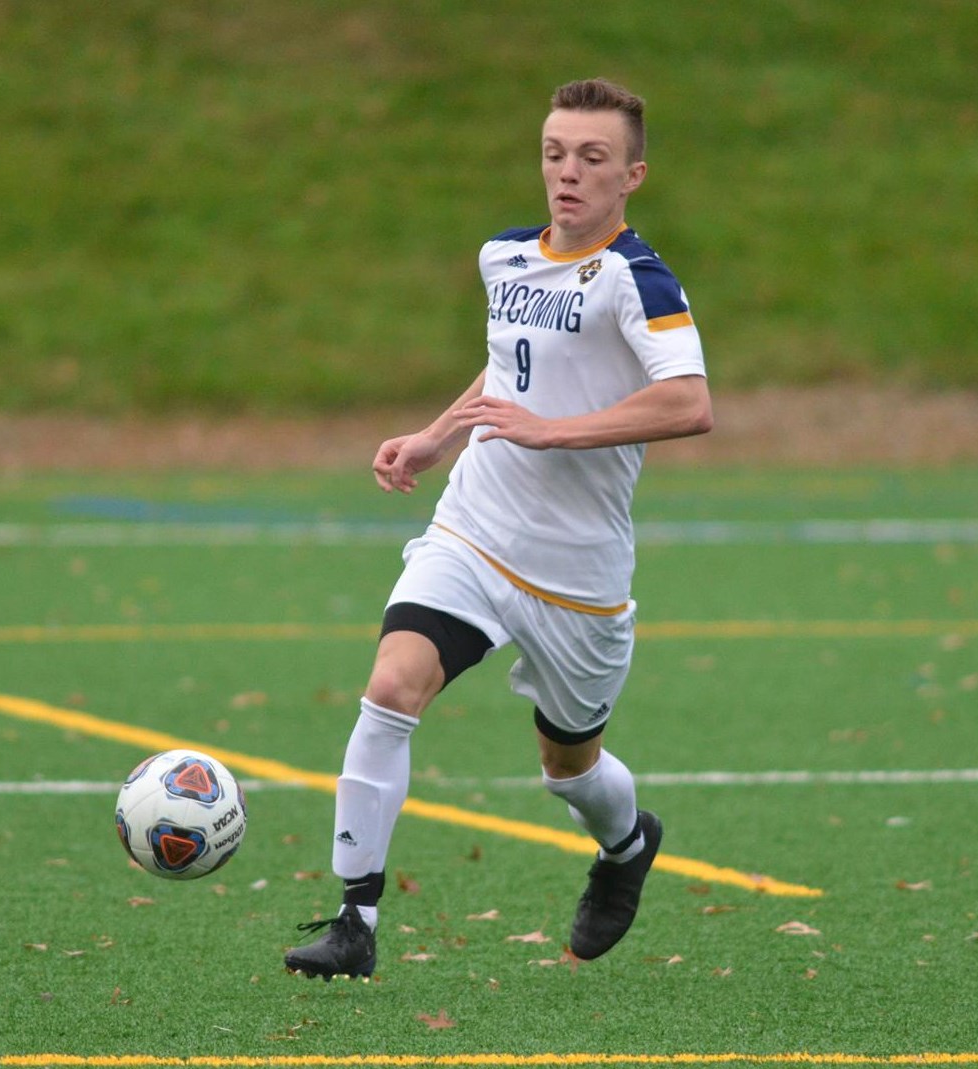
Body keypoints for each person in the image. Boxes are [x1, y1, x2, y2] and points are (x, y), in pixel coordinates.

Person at [284, 77, 713, 980]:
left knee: (569, 768)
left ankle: (627, 844)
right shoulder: (504, 256)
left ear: (631, 174)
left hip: (576, 573)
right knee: (392, 686)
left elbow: (688, 401)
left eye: (592, 158)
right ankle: (353, 918)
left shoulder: (637, 278)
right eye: (555, 153)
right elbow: (501, 371)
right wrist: (439, 436)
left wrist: (555, 430)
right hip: (475, 529)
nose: (567, 173)